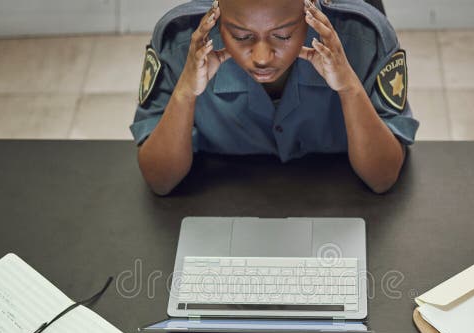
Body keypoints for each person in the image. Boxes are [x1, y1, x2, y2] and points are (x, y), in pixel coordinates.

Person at [132, 0, 418, 195]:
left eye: (282, 36)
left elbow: (382, 178)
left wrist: (349, 88)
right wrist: (184, 93)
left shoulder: (364, 37)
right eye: (241, 36)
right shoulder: (179, 39)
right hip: (223, 203)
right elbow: (160, 180)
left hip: (339, 202)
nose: (261, 58)